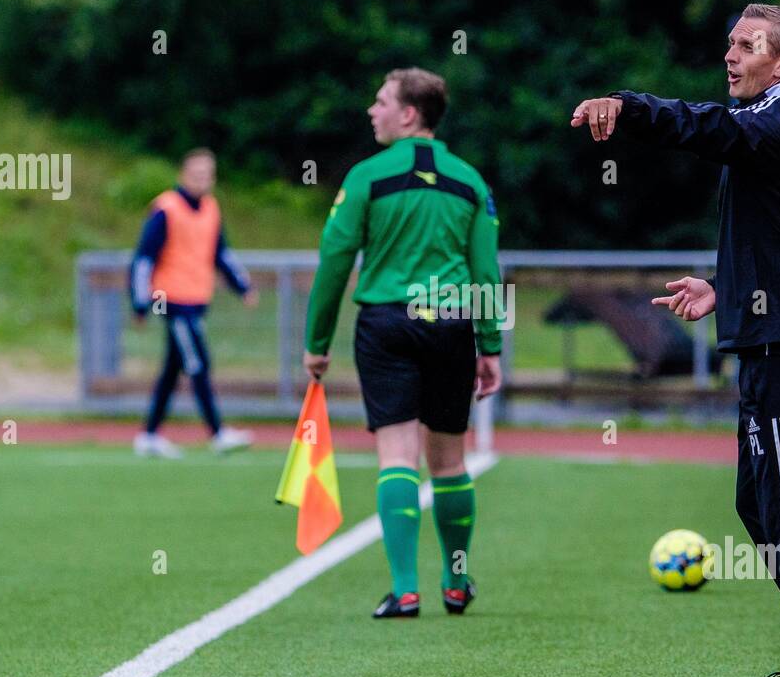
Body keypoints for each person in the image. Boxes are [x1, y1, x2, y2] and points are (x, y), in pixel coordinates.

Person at [571, 3, 780, 677]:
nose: (730, 55)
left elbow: (707, 129)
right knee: (755, 502)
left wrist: (630, 108)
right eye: (729, 44)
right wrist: (727, 287)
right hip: (772, 343)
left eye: (747, 45)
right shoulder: (771, 129)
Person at [302, 68, 504, 618]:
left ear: (409, 114)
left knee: (396, 455)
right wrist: (491, 346)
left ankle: (405, 589)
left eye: (381, 101)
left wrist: (316, 341)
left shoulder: (366, 177)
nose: (372, 110)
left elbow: (335, 259)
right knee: (448, 460)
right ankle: (457, 583)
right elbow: (487, 271)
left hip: (387, 324)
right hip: (452, 323)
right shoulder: (470, 181)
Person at [129, 148, 257, 458]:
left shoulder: (211, 209)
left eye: (207, 174)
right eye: (195, 174)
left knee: (173, 368)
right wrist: (140, 302)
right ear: (183, 175)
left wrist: (242, 286)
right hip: (170, 300)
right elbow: (143, 259)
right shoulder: (166, 209)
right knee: (197, 362)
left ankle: (148, 435)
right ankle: (217, 432)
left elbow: (221, 254)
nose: (201, 180)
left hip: (197, 299)